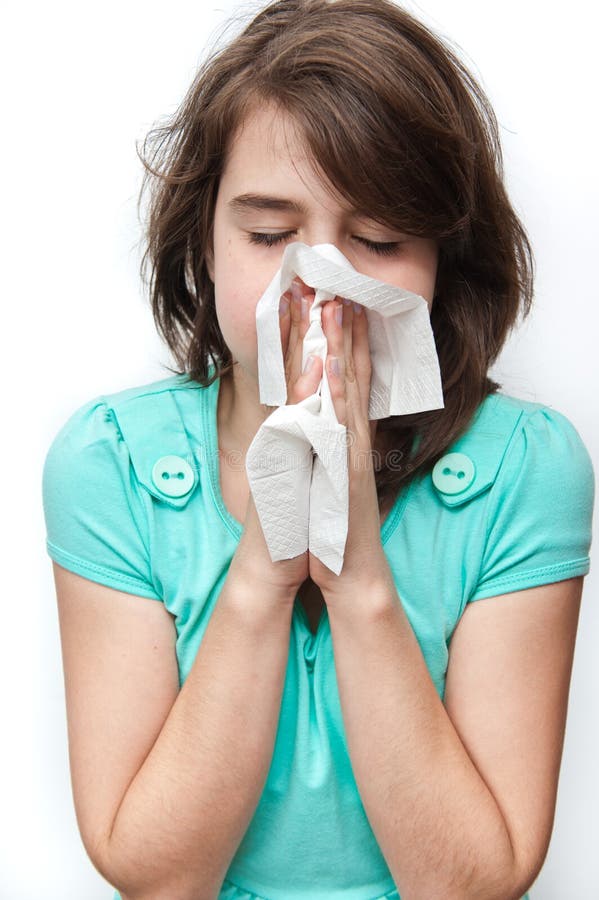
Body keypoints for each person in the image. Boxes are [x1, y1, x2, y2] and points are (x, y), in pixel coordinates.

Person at [41, 1, 595, 898]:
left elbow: (470, 884)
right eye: (268, 236)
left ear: (443, 257)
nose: (320, 289)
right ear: (204, 243)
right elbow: (159, 877)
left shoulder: (526, 468)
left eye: (377, 241)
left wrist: (356, 573)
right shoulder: (109, 463)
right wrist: (266, 567)